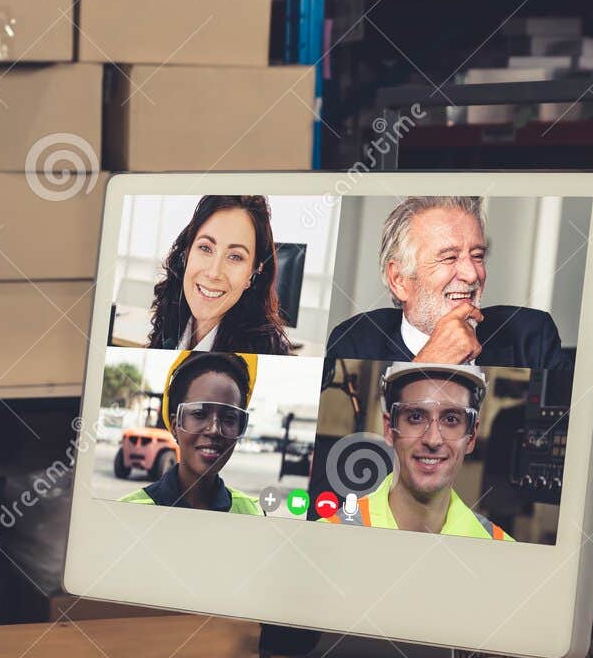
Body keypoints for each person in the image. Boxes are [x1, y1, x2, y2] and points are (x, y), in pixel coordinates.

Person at [326, 195, 568, 369]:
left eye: (477, 256)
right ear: (399, 280)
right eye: (449, 257)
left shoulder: (532, 334)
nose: (472, 275)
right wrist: (427, 364)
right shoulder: (354, 342)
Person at [322, 362, 513, 540]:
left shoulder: (501, 550)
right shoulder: (329, 537)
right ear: (389, 429)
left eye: (451, 420)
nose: (433, 440)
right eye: (415, 417)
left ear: (471, 436)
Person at [121, 350, 263, 513]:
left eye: (229, 418)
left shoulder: (253, 512)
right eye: (199, 414)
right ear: (175, 426)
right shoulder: (129, 510)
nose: (214, 430)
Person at [147, 195, 292, 354]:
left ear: (253, 273)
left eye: (235, 257)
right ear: (186, 252)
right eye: (205, 248)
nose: (213, 273)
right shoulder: (170, 321)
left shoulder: (268, 357)